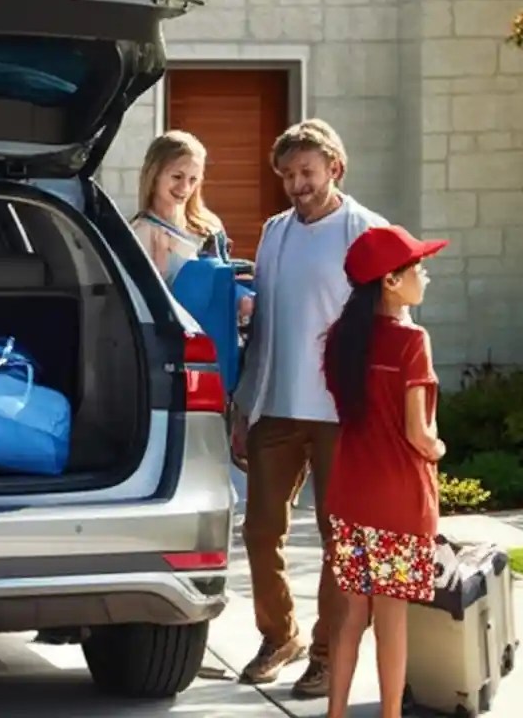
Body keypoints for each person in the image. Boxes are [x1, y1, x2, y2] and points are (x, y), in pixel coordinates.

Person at [227, 118, 389, 695]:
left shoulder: (365, 230)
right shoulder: (275, 232)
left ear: (334, 169)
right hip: (278, 405)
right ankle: (280, 636)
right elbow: (265, 323)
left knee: (335, 539)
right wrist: (244, 404)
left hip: (344, 413)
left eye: (307, 173)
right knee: (260, 528)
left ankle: (326, 654)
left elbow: (396, 316)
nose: (298, 184)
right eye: (289, 174)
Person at [321, 225, 448, 718]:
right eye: (418, 268)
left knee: (350, 613)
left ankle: (336, 712)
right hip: (399, 500)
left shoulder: (339, 340)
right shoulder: (412, 341)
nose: (425, 277)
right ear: (391, 281)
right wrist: (438, 448)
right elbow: (419, 433)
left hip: (350, 493)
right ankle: (390, 714)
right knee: (392, 616)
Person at [130, 129, 253, 325]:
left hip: (218, 339)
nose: (184, 188)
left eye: (193, 179)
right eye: (177, 177)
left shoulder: (209, 226)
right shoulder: (140, 234)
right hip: (178, 344)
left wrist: (243, 298)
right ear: (154, 174)